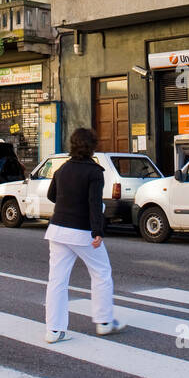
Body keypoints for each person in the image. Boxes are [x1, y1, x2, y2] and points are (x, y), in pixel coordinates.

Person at [44, 127, 123, 342]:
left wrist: (67, 201)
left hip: (58, 229)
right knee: (101, 273)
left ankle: (53, 330)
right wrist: (98, 231)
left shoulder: (62, 169)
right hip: (82, 232)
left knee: (57, 281)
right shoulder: (94, 172)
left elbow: (52, 195)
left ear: (72, 145)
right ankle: (104, 321)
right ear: (92, 147)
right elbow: (94, 204)